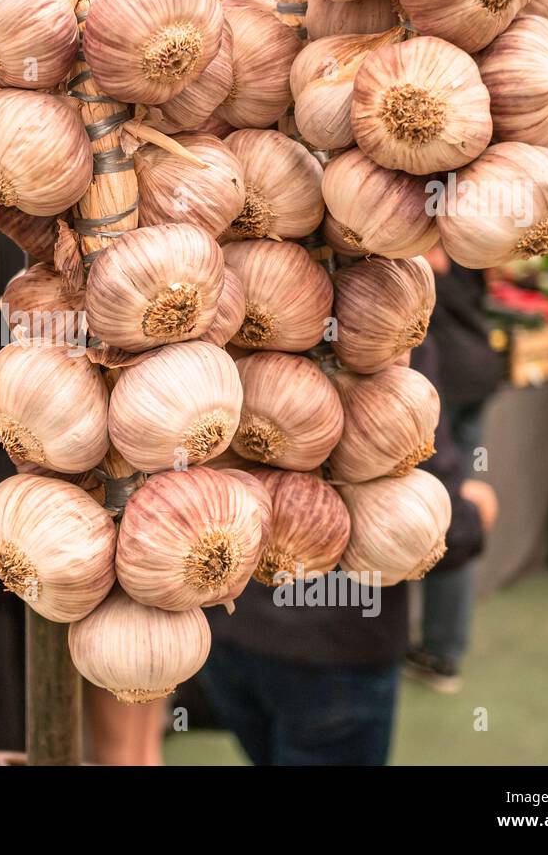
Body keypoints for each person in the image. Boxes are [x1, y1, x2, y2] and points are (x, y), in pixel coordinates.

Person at [198, 334, 493, 765]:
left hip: (229, 629)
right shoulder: (390, 335)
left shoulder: (229, 319)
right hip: (337, 652)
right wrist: (473, 518)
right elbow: (423, 526)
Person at [404, 248, 503, 693]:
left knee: (445, 505)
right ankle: (443, 647)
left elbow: (430, 261)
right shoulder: (468, 222)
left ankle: (442, 652)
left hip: (443, 377)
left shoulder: (429, 235)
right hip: (473, 363)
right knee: (448, 499)